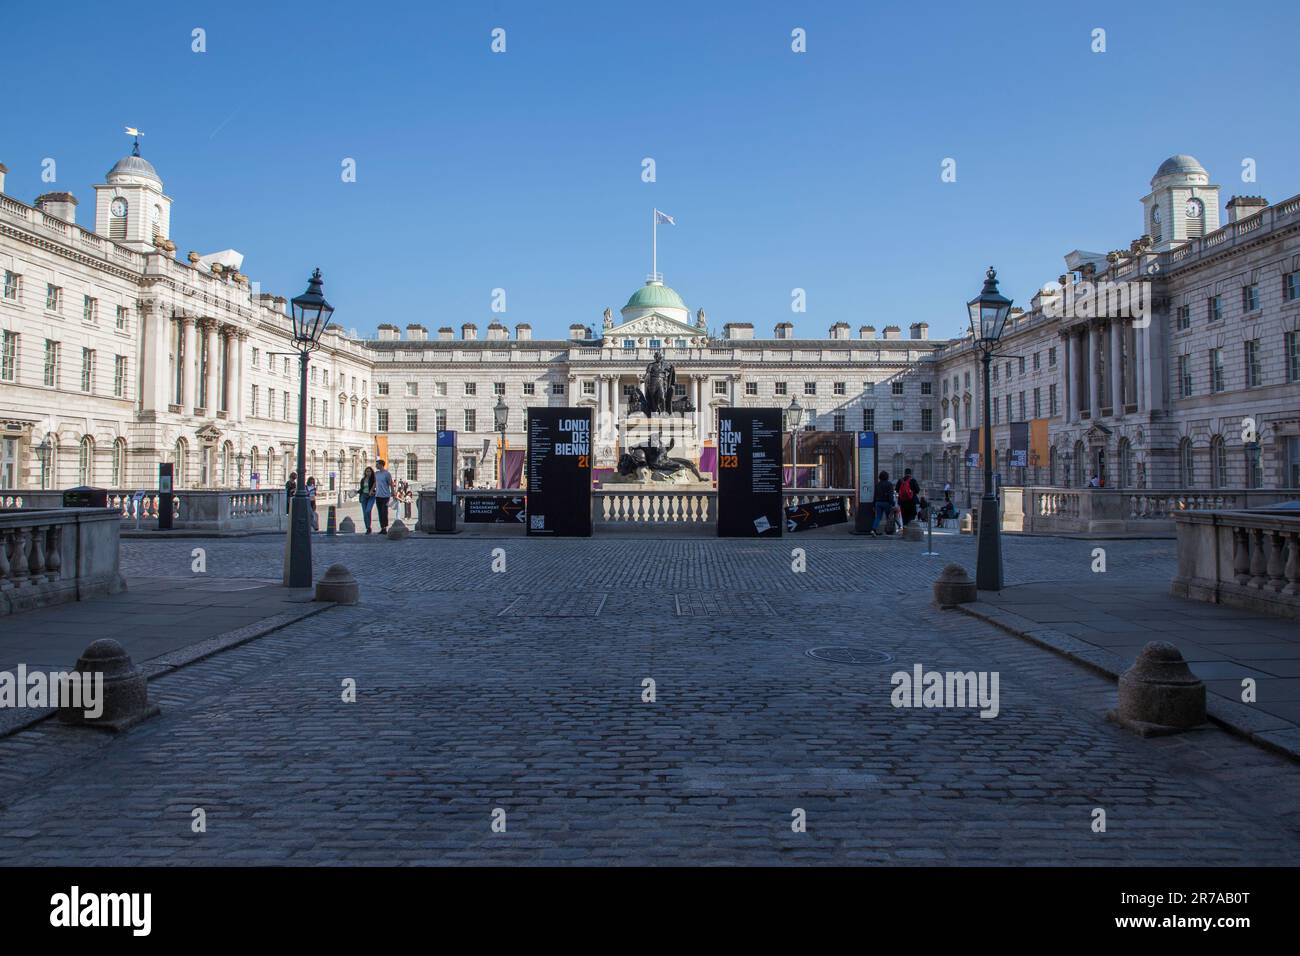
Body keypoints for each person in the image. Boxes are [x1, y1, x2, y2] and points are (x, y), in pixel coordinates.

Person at [870, 470, 893, 537]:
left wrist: (873, 504)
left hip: (878, 503)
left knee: (878, 517)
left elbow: (875, 495)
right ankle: (888, 530)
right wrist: (891, 503)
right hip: (886, 503)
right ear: (887, 477)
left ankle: (873, 530)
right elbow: (890, 495)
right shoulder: (889, 484)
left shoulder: (877, 485)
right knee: (888, 517)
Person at [373, 459, 393, 534]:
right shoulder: (376, 474)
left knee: (384, 512)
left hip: (385, 496)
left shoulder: (387, 474)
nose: (376, 465)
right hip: (378, 495)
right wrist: (372, 490)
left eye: (377, 464)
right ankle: (382, 527)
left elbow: (391, 483)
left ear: (381, 465)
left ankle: (385, 527)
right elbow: (375, 483)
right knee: (379, 512)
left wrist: (393, 492)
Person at [358, 466, 376, 534]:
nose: (368, 473)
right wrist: (356, 492)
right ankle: (368, 528)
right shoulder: (363, 480)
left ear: (371, 472)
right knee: (365, 513)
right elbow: (362, 489)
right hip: (363, 496)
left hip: (371, 496)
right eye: (367, 471)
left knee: (368, 510)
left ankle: (368, 526)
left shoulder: (373, 479)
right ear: (365, 472)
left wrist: (373, 491)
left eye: (369, 471)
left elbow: (376, 487)